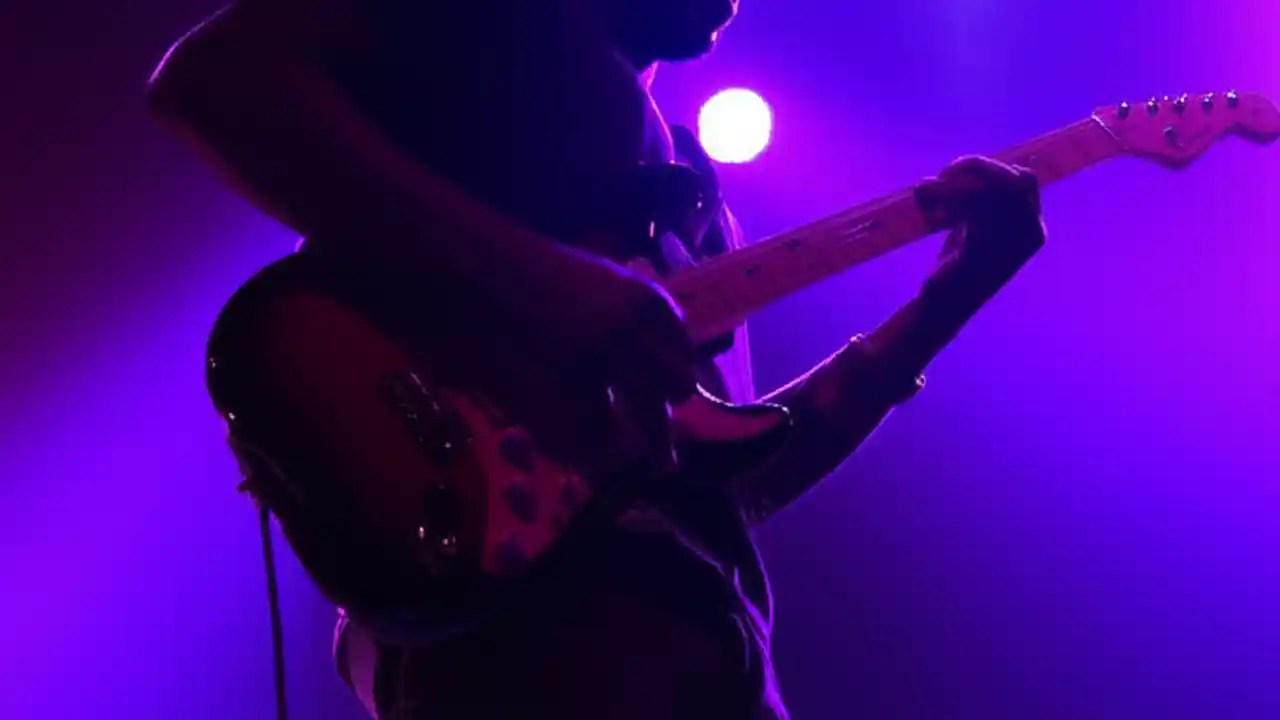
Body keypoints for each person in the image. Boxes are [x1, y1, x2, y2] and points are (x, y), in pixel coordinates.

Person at [146, 0, 1046, 717]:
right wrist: (546, 284)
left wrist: (946, 302)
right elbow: (212, 82)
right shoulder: (489, 23)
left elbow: (722, 480)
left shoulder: (687, 195)